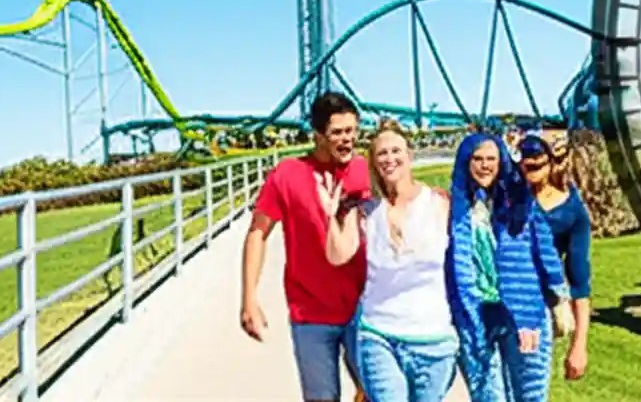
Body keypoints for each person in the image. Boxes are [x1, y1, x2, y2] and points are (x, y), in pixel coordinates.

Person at [241, 92, 371, 402]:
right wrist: (249, 299)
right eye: (338, 132)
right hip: (310, 311)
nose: (347, 140)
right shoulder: (286, 174)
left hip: (364, 307)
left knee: (377, 392)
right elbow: (258, 232)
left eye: (352, 131)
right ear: (317, 135)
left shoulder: (365, 170)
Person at [321, 118, 459, 402]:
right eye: (381, 153)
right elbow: (337, 255)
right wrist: (331, 215)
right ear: (373, 163)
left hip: (433, 340)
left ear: (409, 155)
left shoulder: (440, 204)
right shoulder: (364, 211)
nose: (389, 158)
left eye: (396, 151)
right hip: (379, 334)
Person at [447, 132, 574, 402]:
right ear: (466, 163)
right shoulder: (455, 209)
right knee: (488, 394)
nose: (484, 165)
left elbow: (545, 248)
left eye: (491, 159)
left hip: (523, 310)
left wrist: (559, 297)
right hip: (476, 315)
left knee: (530, 392)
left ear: (501, 161)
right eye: (477, 159)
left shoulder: (520, 201)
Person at [518, 133, 592, 381]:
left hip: (538, 310)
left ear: (553, 162)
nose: (530, 165)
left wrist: (579, 346)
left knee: (529, 389)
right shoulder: (510, 197)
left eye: (537, 160)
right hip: (497, 303)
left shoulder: (572, 212)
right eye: (525, 158)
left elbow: (580, 283)